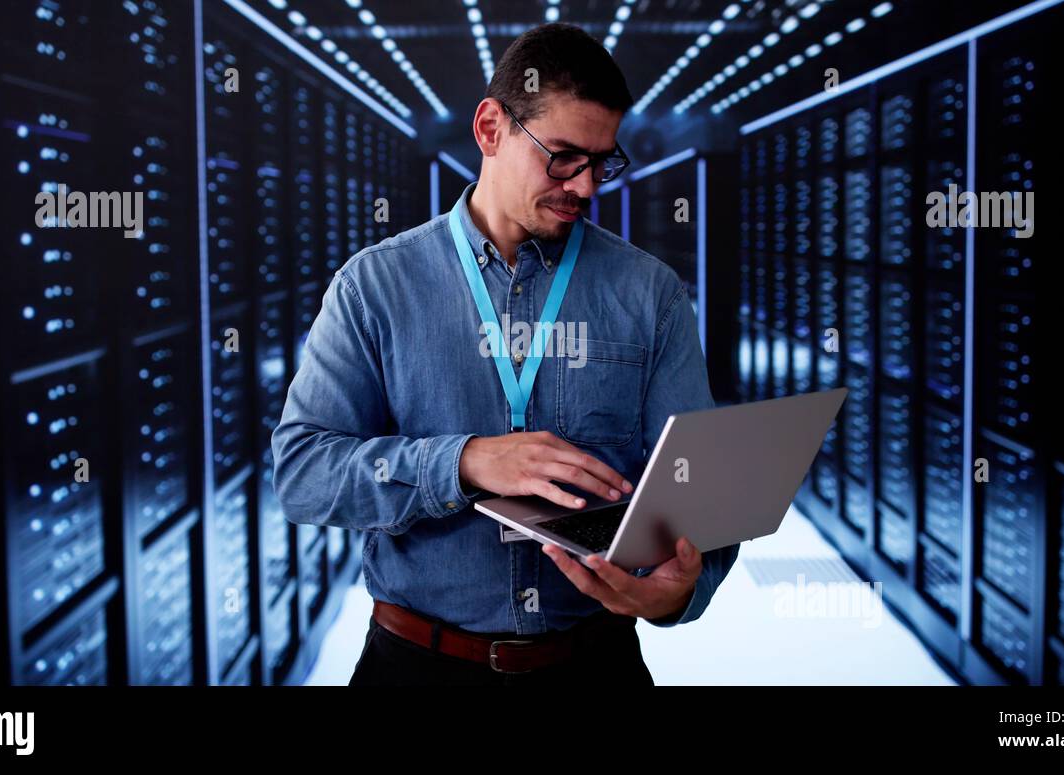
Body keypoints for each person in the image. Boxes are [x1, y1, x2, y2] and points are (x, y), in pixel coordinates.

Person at [272, 22, 739, 686]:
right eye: (563, 156)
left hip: (594, 665)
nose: (585, 187)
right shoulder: (374, 287)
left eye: (602, 162)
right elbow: (303, 472)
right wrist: (463, 461)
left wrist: (677, 594)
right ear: (491, 128)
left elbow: (701, 500)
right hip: (417, 665)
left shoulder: (649, 294)